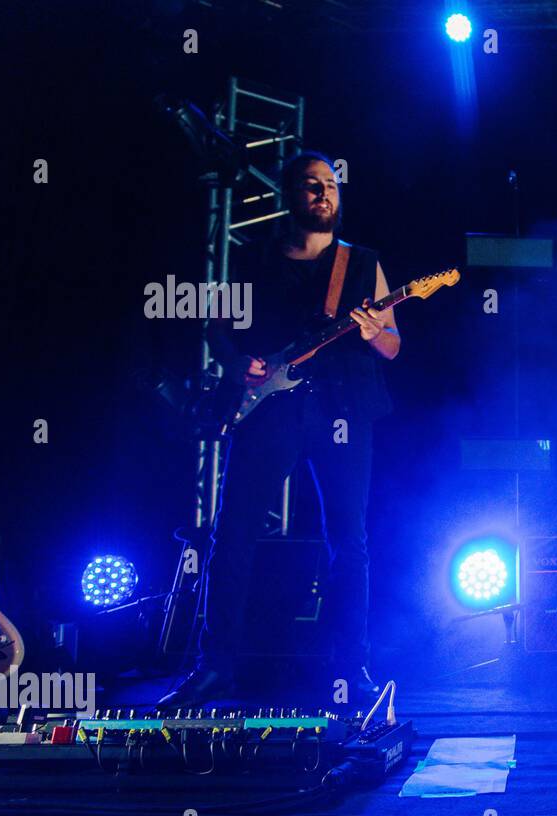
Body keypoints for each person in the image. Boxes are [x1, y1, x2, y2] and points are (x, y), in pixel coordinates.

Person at [160, 151, 400, 708]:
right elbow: (216, 325)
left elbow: (393, 343)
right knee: (233, 535)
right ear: (288, 195)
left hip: (342, 409)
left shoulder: (361, 264)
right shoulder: (255, 259)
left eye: (332, 186)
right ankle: (214, 666)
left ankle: (351, 669)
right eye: (312, 186)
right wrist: (238, 359)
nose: (325, 195)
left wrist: (370, 335)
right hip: (270, 409)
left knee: (349, 541)